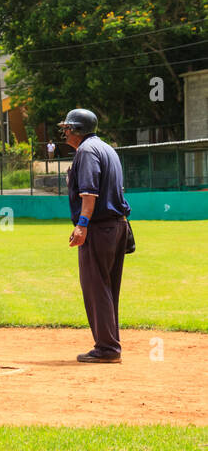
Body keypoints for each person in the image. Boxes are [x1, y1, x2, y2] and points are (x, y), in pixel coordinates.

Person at [59, 108, 131, 363]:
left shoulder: (87, 152)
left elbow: (89, 194)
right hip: (116, 226)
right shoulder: (106, 148)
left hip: (99, 227)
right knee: (108, 286)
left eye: (67, 127)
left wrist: (82, 224)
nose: (64, 131)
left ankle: (107, 349)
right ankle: (110, 343)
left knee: (96, 286)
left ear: (77, 130)